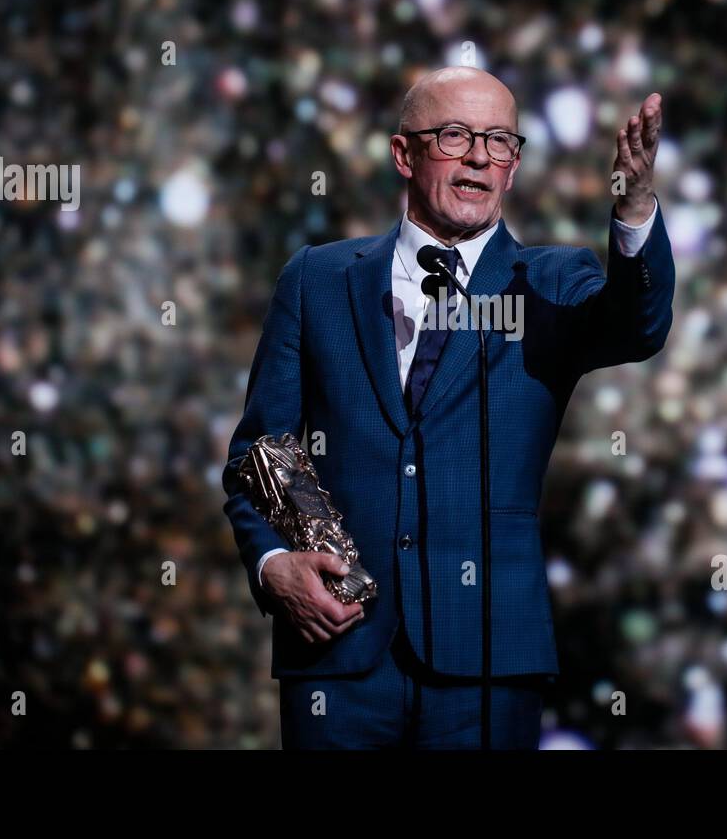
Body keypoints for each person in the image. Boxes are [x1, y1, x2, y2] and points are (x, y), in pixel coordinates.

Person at [222, 66, 674, 748]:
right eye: (455, 135)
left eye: (498, 142)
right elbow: (261, 453)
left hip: (489, 662)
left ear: (514, 167)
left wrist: (635, 209)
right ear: (404, 155)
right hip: (338, 654)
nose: (478, 157)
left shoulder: (552, 281)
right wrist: (272, 566)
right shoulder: (317, 278)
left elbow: (637, 326)